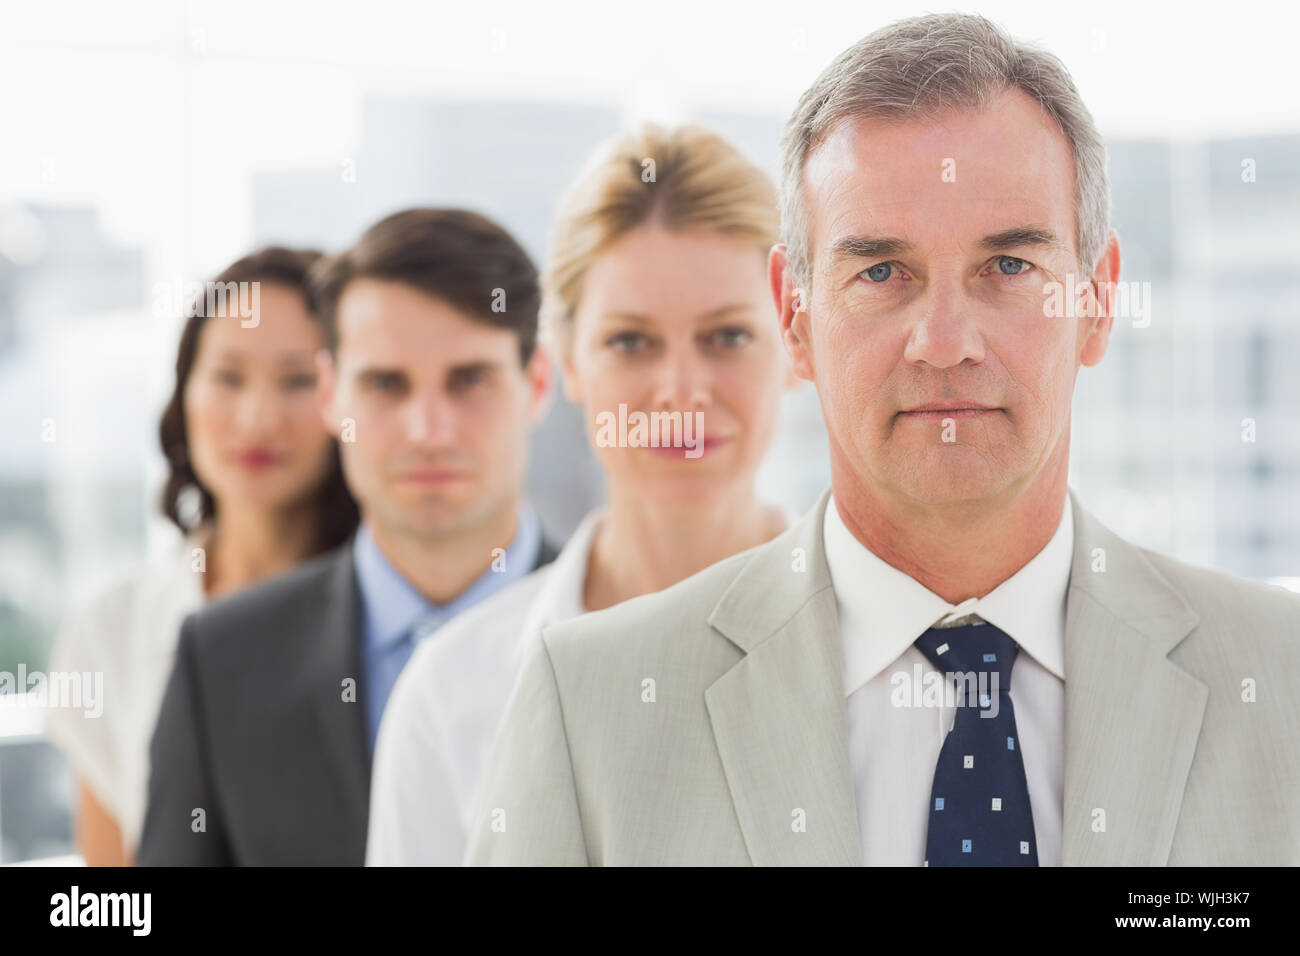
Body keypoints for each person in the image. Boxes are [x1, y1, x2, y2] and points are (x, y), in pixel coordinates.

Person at [465, 13, 1300, 867]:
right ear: (794, 315)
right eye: (881, 272)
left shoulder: (1284, 682)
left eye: (1009, 267)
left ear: (1096, 300)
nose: (945, 341)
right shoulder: (590, 708)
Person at [366, 124, 800, 866]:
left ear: (794, 342)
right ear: (565, 361)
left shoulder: (893, 657)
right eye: (631, 342)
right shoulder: (453, 694)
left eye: (727, 336)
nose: (681, 393)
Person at [136, 208, 561, 865]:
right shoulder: (220, 662)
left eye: (469, 379)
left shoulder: (633, 636)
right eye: (386, 383)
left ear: (536, 385)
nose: (427, 429)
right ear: (332, 393)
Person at [45, 247, 359, 866]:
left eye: (298, 380)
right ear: (184, 394)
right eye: (228, 376)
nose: (258, 417)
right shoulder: (114, 626)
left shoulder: (390, 609)